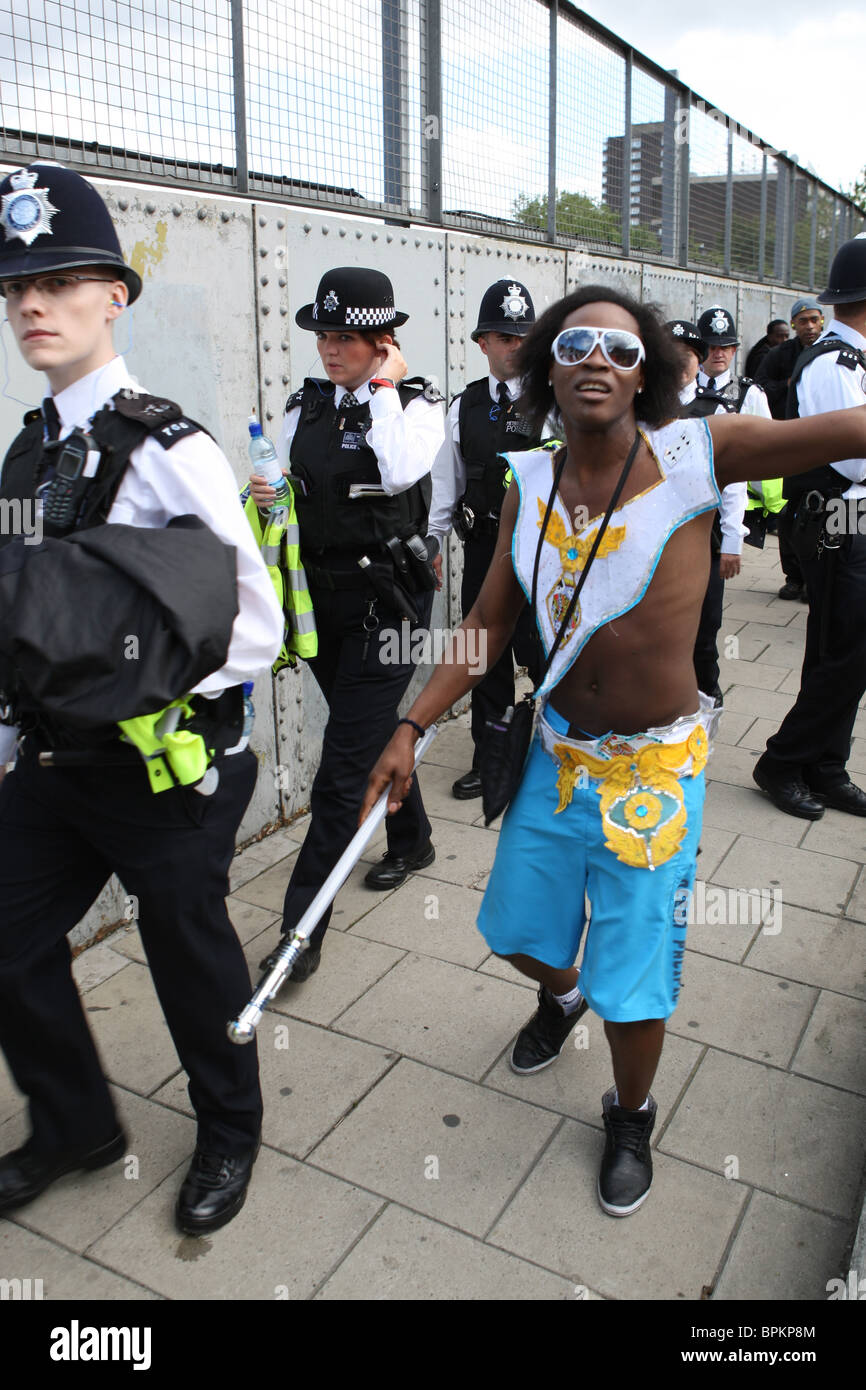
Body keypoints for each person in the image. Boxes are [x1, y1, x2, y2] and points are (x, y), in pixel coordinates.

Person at [361, 285, 866, 1217]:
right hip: (556, 753)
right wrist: (409, 726)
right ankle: (561, 998)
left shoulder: (698, 452)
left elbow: (851, 433)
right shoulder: (528, 481)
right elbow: (486, 623)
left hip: (657, 774)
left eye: (623, 350)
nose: (600, 360)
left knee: (635, 987)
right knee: (514, 934)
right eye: (580, 343)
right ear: (548, 363)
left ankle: (630, 1110)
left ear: (650, 374)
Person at [0, 164, 283, 1234]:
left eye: (60, 280)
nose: (32, 302)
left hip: (164, 768)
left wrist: (131, 683)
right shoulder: (27, 452)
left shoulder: (170, 450)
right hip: (54, 763)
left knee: (186, 950)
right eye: (16, 287)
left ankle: (229, 1129)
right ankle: (75, 1125)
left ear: (113, 295)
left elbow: (250, 626)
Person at [251, 267, 445, 981]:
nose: (330, 350)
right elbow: (276, 485)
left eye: (347, 338)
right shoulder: (303, 405)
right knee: (367, 732)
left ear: (382, 341)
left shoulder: (419, 406)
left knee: (340, 775)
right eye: (324, 335)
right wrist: (265, 491)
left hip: (387, 605)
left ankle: (300, 936)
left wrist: (385, 388)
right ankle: (412, 838)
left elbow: (397, 471)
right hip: (319, 601)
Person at [754, 241, 866, 820]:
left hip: (853, 517)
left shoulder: (857, 361)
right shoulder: (833, 364)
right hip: (838, 518)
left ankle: (825, 766)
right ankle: (782, 761)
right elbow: (853, 459)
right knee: (846, 655)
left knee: (842, 652)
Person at [427, 279, 544, 800]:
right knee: (484, 658)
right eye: (504, 336)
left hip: (542, 557)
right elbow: (446, 480)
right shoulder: (464, 405)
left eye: (523, 336)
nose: (515, 345)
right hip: (482, 552)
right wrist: (432, 540)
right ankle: (491, 759)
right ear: (483, 343)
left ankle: (565, 749)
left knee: (547, 655)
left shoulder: (556, 402)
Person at [756, 300, 826, 599]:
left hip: (821, 443)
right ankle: (793, 576)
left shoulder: (830, 352)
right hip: (786, 441)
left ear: (822, 321)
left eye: (813, 319)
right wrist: (787, 384)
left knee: (822, 511)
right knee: (788, 511)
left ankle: (817, 578)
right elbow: (758, 388)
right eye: (802, 321)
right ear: (794, 324)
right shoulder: (779, 355)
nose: (808, 326)